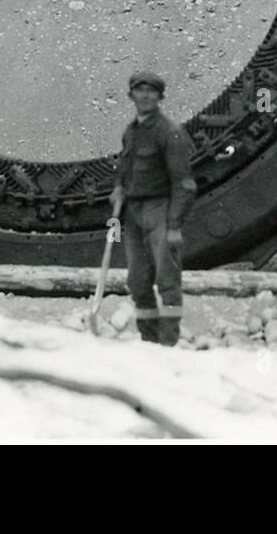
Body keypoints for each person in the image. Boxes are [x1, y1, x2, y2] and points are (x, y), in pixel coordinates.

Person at [110, 71, 196, 347]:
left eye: (151, 91)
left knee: (167, 280)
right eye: (140, 90)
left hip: (160, 209)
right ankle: (149, 340)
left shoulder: (169, 133)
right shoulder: (131, 131)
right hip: (133, 212)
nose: (145, 95)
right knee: (137, 281)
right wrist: (120, 187)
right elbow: (125, 167)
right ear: (131, 95)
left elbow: (185, 184)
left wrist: (174, 226)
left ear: (160, 97)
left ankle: (169, 344)